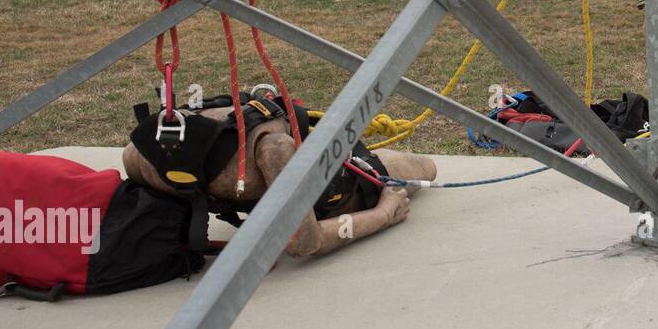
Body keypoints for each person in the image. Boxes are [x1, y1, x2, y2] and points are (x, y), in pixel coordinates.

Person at [121, 97, 434, 258]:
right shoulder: (140, 156)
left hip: (335, 171)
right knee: (424, 169)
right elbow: (305, 244)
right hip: (325, 191)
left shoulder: (139, 155)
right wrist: (384, 214)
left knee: (426, 170)